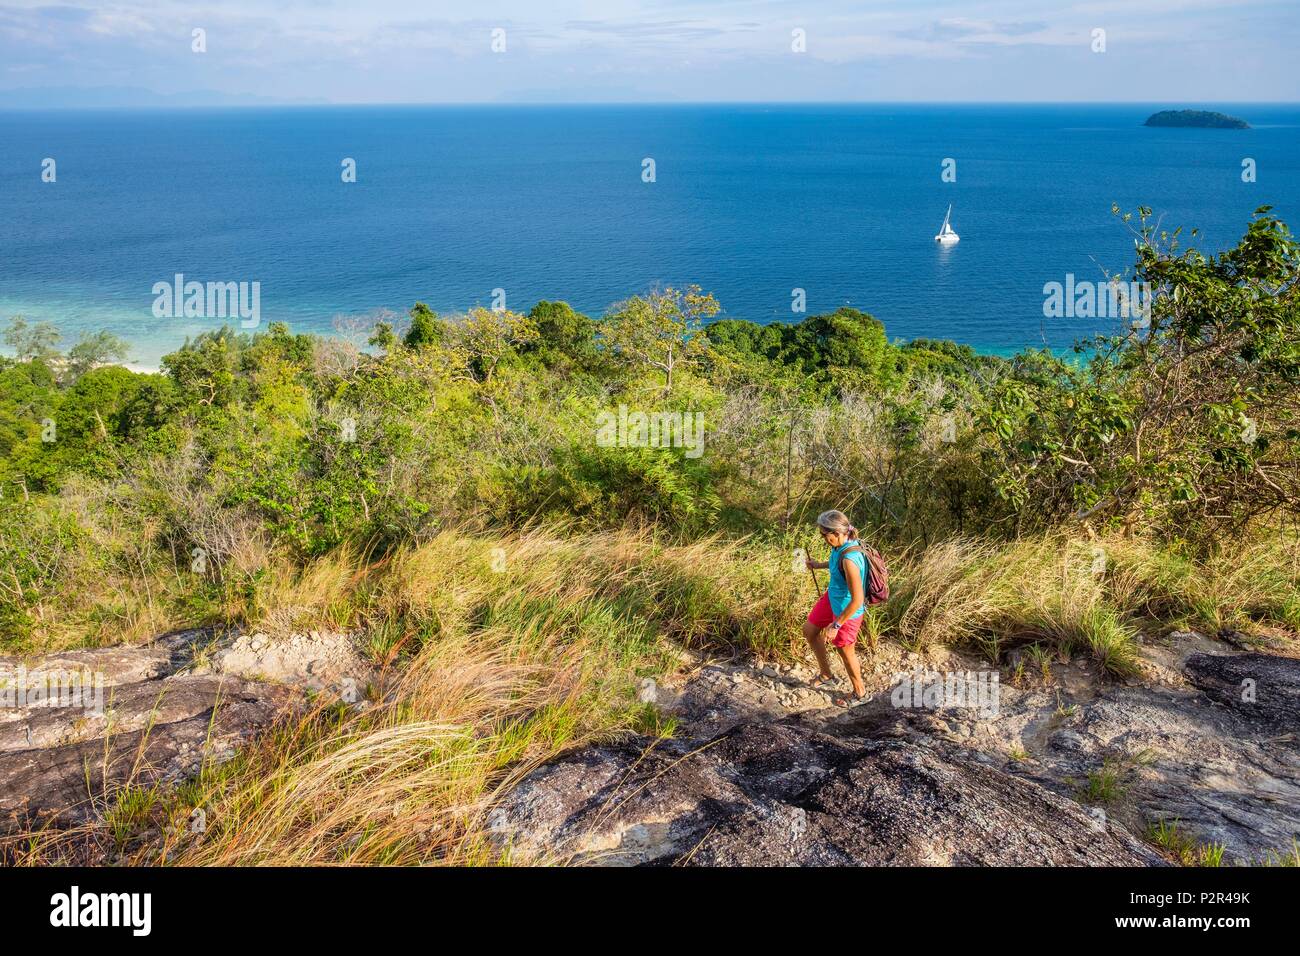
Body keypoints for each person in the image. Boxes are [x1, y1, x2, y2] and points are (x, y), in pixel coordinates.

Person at [803, 510, 868, 706]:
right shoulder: (839, 547)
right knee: (810, 630)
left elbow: (858, 599)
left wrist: (836, 625)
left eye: (825, 535)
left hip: (847, 611)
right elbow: (834, 563)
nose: (823, 539)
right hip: (832, 599)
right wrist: (818, 565)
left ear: (838, 533)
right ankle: (826, 675)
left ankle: (860, 693)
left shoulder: (850, 560)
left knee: (845, 651)